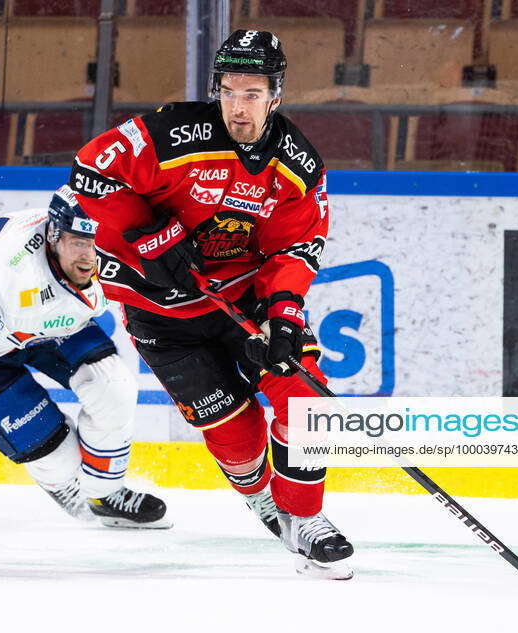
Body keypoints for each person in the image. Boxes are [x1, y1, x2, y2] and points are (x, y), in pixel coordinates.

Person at [69, 30, 352, 576]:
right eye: (228, 92)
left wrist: (284, 314)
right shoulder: (173, 133)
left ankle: (305, 518)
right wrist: (152, 237)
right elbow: (90, 172)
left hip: (244, 302)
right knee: (236, 435)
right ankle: (259, 496)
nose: (238, 106)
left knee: (306, 402)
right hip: (160, 315)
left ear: (276, 96)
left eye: (252, 94)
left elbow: (294, 247)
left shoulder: (297, 163)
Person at [0, 185, 170, 529]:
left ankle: (104, 494)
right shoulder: (9, 280)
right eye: (78, 243)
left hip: (47, 316)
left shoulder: (113, 248)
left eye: (97, 242)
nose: (90, 257)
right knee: (56, 455)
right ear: (53, 235)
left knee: (112, 387)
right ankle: (63, 484)